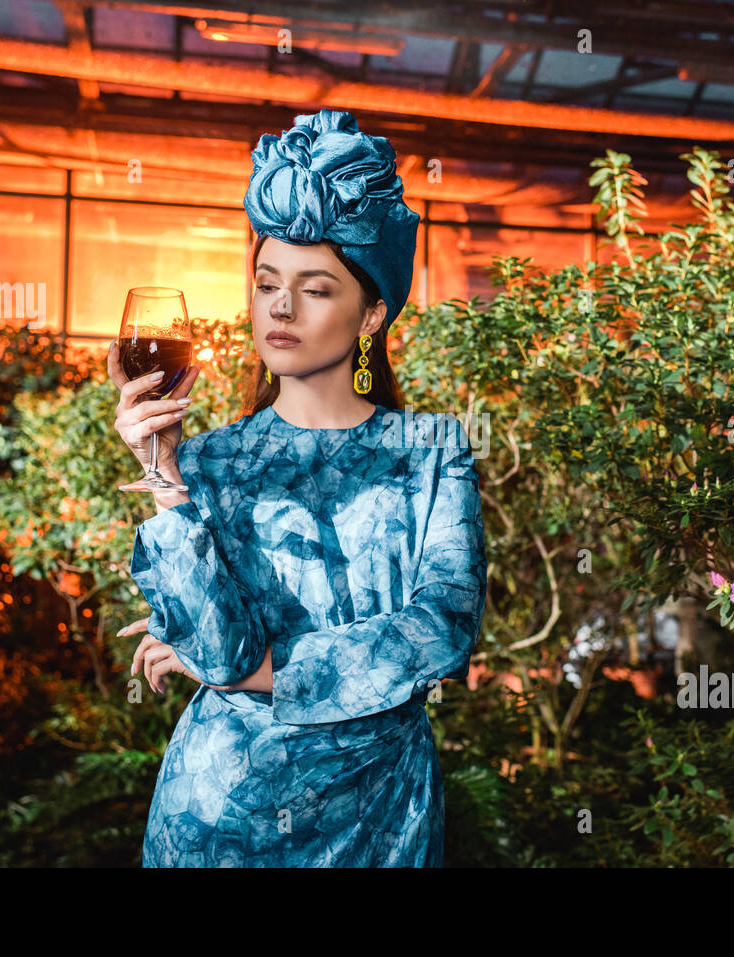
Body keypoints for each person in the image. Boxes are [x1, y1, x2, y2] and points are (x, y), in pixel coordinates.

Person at [108, 108, 488, 866]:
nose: (280, 308)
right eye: (266, 283)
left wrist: (254, 669)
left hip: (380, 815)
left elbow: (440, 629)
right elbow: (214, 643)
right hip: (219, 812)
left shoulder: (432, 449)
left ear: (371, 312)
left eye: (315, 288)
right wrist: (162, 471)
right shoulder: (208, 460)